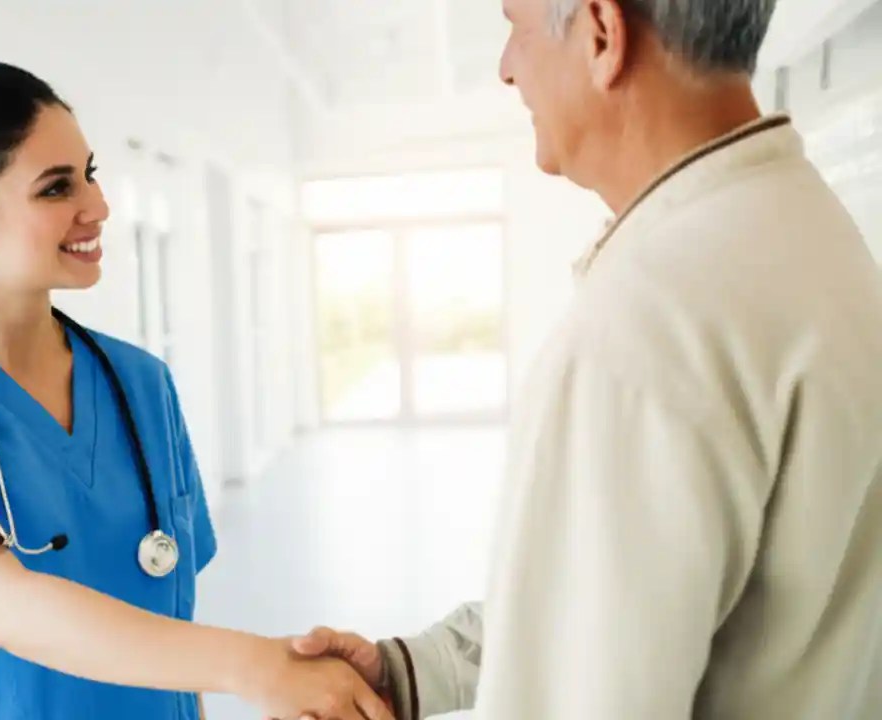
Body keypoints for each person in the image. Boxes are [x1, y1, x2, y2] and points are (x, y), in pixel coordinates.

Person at [286, 0, 882, 718]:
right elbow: (634, 596)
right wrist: (414, 669)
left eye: (515, 25)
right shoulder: (812, 230)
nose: (506, 68)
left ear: (602, 33)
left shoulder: (647, 328)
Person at [0, 62, 393, 720]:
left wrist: (256, 679)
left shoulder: (140, 384)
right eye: (57, 188)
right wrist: (256, 665)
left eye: (90, 174)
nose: (98, 207)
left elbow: (166, 623)